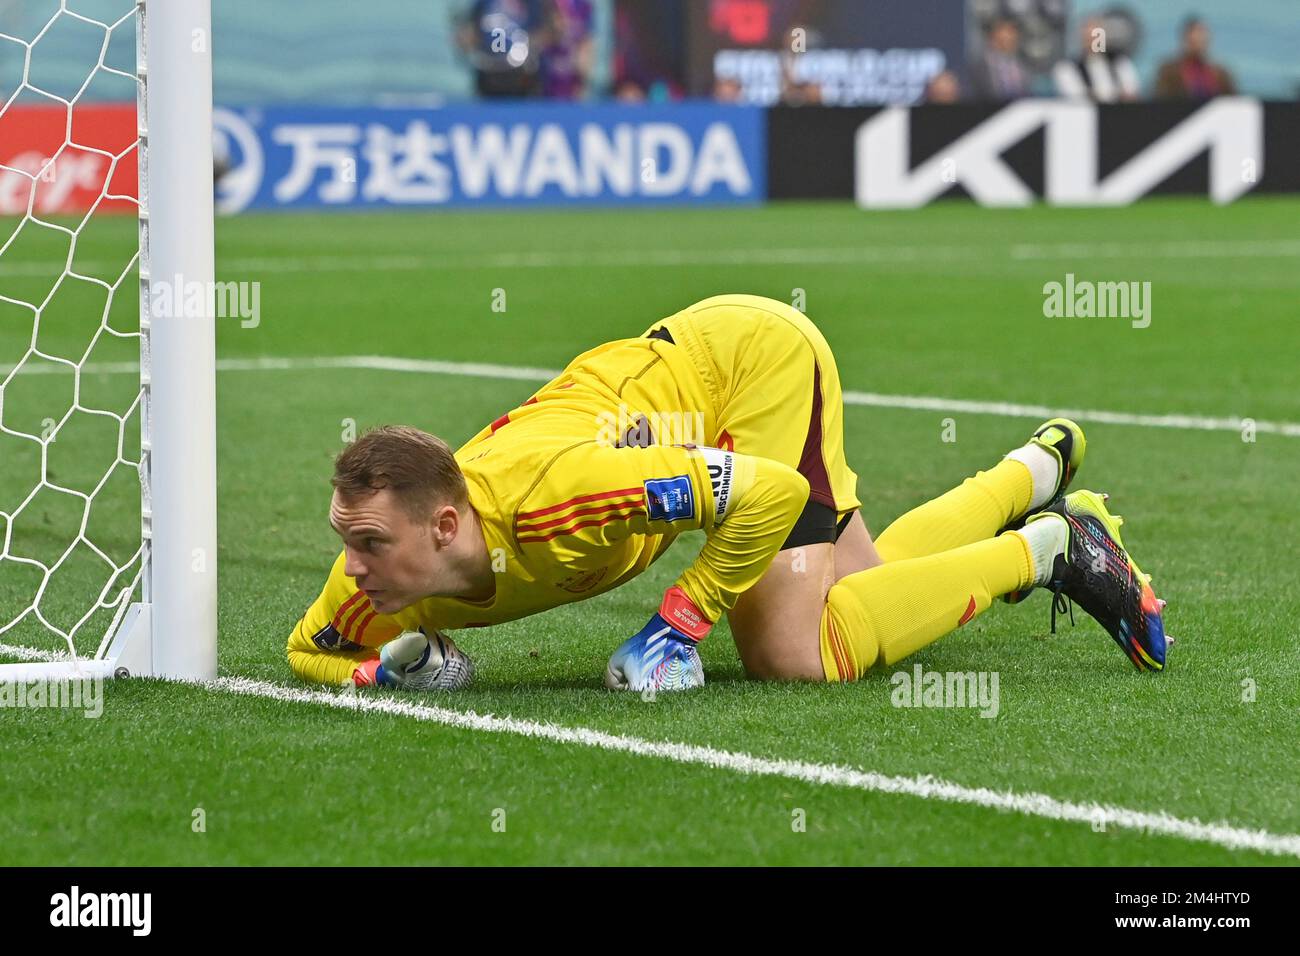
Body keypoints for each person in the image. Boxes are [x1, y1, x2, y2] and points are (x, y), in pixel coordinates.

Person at [286, 295, 1169, 692]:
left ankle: (1053, 551)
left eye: (368, 543)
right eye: (348, 540)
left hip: (749, 372)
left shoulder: (564, 499)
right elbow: (306, 649)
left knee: (794, 652)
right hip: (660, 420)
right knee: (862, 596)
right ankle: (1038, 475)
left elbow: (772, 492)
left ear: (445, 525)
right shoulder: (376, 588)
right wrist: (381, 668)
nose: (353, 566)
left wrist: (681, 623)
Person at [1052, 15, 1140, 102]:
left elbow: (1130, 94)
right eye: (1089, 36)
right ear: (1081, 37)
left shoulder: (1120, 62)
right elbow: (1078, 99)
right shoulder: (1067, 68)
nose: (1093, 41)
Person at [1155, 16, 1237, 99]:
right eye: (1194, 41)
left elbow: (1234, 101)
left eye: (1202, 39)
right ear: (1185, 39)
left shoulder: (1220, 73)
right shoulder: (1169, 72)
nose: (1199, 43)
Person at [969, 17, 1030, 101]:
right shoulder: (980, 67)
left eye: (1012, 32)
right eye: (1005, 32)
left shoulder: (1023, 66)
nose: (1010, 37)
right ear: (993, 37)